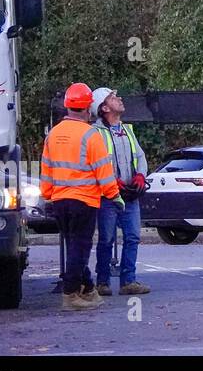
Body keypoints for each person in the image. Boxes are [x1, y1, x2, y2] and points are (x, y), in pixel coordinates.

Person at [40, 83, 122, 310]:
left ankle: (89, 289)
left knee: (74, 246)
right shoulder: (91, 135)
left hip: (59, 201)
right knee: (80, 248)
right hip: (84, 200)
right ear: (88, 108)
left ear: (67, 106)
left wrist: (47, 195)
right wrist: (114, 196)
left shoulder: (53, 134)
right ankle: (70, 295)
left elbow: (46, 169)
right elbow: (103, 171)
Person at [91, 87, 151, 296]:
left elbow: (140, 157)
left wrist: (140, 176)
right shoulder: (96, 133)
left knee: (132, 237)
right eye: (113, 98)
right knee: (106, 239)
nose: (120, 99)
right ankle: (102, 282)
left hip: (129, 195)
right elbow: (95, 163)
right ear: (104, 107)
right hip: (108, 195)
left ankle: (128, 281)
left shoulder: (126, 130)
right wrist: (111, 180)